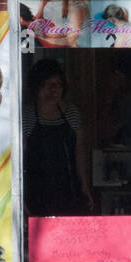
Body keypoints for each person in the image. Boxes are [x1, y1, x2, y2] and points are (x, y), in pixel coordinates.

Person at [21, 59, 94, 215]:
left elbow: (79, 153)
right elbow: (21, 159)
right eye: (48, 85)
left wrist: (85, 186)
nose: (53, 90)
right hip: (37, 190)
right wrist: (22, 197)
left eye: (58, 85)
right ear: (37, 87)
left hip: (69, 188)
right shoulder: (26, 116)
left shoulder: (71, 113)